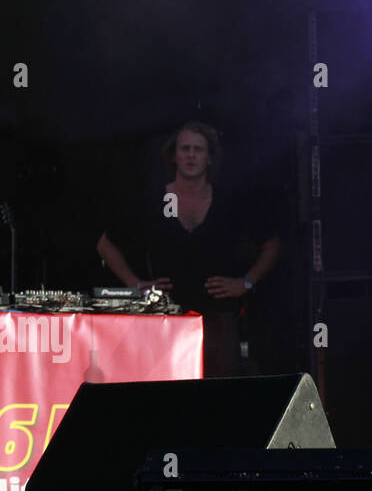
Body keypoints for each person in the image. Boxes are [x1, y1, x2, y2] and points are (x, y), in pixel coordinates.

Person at [96, 121, 281, 377]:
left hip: (219, 320)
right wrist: (137, 285)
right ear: (174, 156)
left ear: (209, 158)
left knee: (221, 397)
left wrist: (246, 282)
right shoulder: (154, 201)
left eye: (198, 149)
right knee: (172, 396)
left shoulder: (229, 202)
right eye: (185, 149)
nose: (191, 155)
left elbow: (271, 245)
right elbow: (106, 245)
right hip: (167, 319)